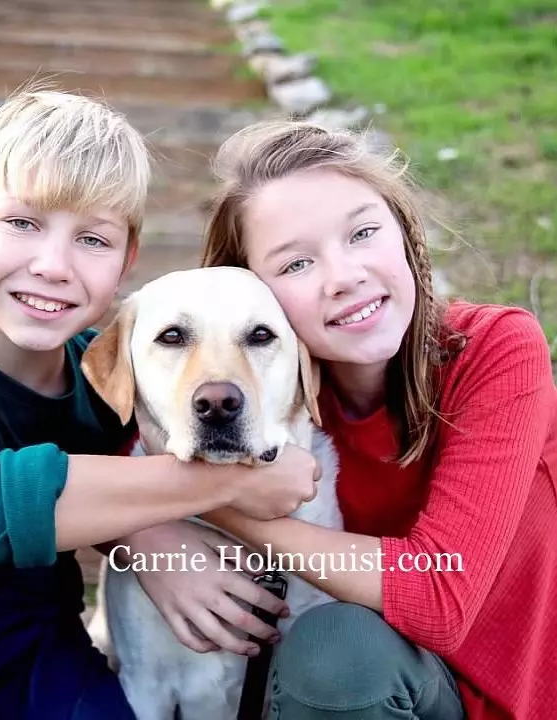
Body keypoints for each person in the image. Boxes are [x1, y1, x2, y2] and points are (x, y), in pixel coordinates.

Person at [0, 92, 319, 719]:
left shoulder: (119, 370)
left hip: (27, 644)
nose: (53, 265)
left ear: (126, 262)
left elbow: (125, 468)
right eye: (22, 224)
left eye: (92, 238)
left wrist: (151, 535)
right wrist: (221, 484)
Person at [118, 120, 557, 719]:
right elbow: (107, 455)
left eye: (364, 233)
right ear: (249, 290)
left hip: (486, 697)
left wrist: (214, 503)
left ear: (404, 232)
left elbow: (439, 595)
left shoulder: (495, 349)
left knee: (337, 650)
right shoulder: (256, 399)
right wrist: (147, 536)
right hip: (322, 700)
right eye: (296, 264)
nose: (344, 277)